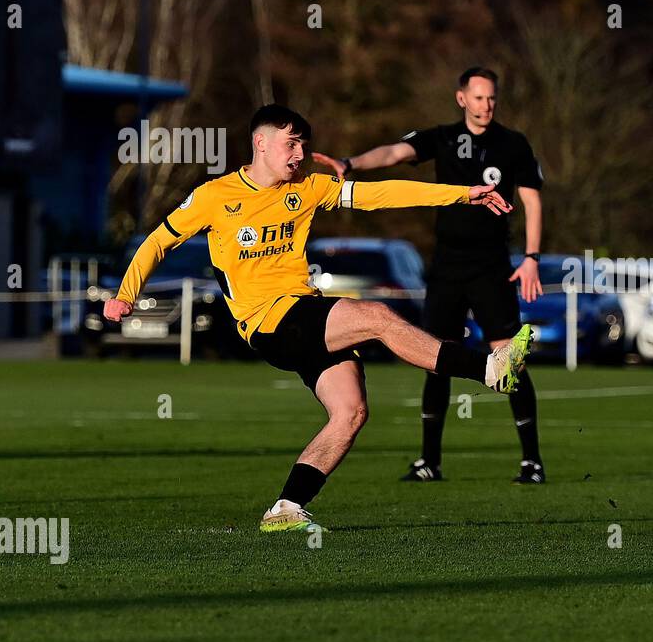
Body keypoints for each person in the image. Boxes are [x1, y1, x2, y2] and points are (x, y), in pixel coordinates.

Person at [103, 104, 534, 532]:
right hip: (269, 321)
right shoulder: (216, 197)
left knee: (350, 413)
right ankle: (488, 368)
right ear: (261, 143)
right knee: (377, 317)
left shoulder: (308, 186)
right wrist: (126, 294)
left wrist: (463, 192)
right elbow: (157, 242)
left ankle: (287, 507)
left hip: (302, 315)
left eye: (303, 146)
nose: (298, 154)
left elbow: (378, 195)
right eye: (290, 144)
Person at [313, 67, 548, 484]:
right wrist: (350, 163)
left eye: (491, 98)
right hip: (446, 267)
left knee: (509, 356)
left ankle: (531, 462)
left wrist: (531, 257)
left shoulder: (513, 144)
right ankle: (429, 462)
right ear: (462, 99)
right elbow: (392, 154)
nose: (486, 105)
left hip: (492, 266)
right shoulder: (440, 137)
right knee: (436, 356)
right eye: (478, 98)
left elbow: (531, 199)